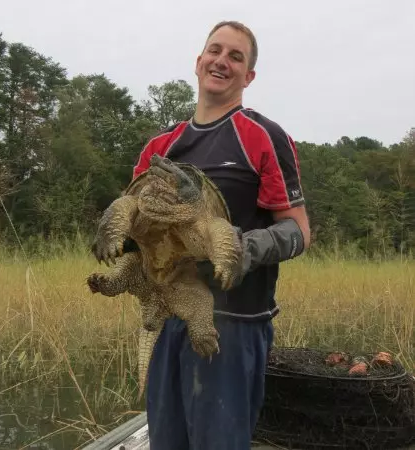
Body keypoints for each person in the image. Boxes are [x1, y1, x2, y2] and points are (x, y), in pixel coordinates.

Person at [131, 20, 310, 450]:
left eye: (236, 56)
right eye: (216, 51)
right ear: (198, 62)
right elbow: (134, 223)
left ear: (248, 76)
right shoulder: (161, 146)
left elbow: (299, 231)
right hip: (169, 319)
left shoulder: (262, 136)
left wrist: (241, 248)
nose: (222, 62)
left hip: (234, 327)